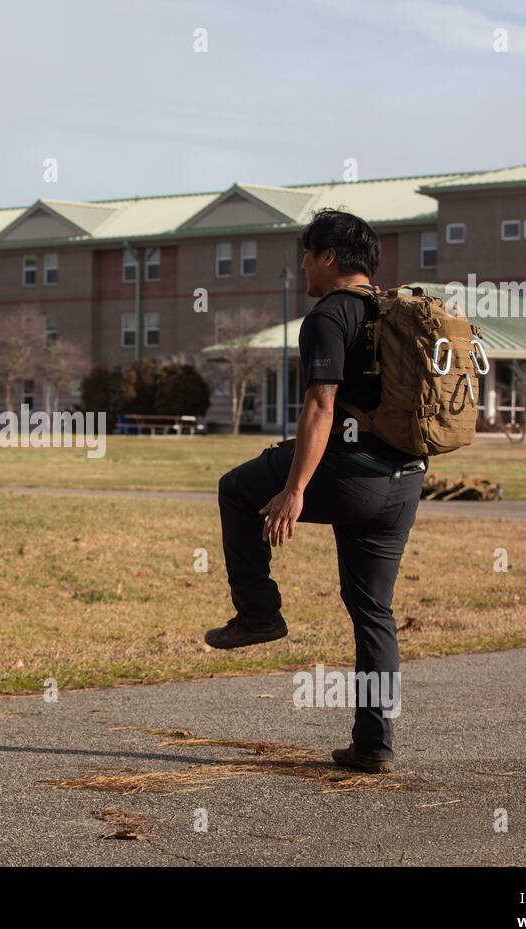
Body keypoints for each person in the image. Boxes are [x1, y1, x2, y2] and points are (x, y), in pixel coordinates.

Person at [204, 208, 426, 775]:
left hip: (349, 476)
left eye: (306, 254)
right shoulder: (397, 312)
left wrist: (296, 488)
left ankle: (259, 614)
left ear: (328, 258)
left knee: (236, 488)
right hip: (403, 481)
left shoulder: (330, 315)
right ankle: (374, 746)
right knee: (373, 610)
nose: (302, 266)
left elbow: (321, 404)